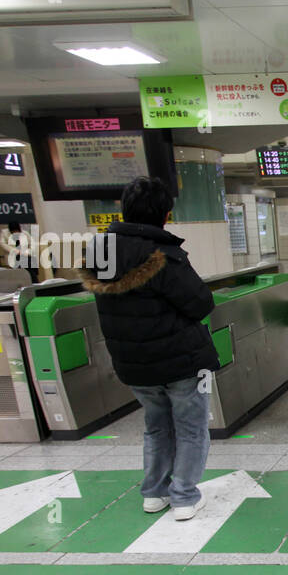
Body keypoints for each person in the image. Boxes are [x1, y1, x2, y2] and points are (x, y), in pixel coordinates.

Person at [79, 176, 218, 521]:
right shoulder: (164, 255)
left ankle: (154, 493)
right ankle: (184, 496)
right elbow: (200, 303)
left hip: (133, 363)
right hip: (181, 361)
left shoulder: (99, 251)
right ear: (166, 215)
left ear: (123, 210)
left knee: (156, 425)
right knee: (190, 427)